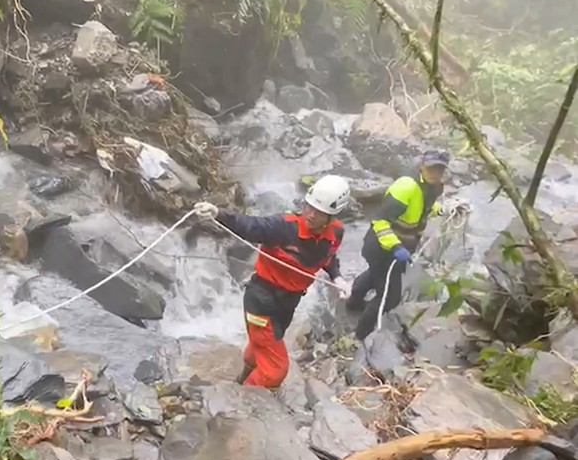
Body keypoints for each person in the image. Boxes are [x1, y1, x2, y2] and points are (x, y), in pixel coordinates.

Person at [193, 175, 352, 389]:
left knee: (260, 346)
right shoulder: (283, 227)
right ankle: (242, 398)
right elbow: (251, 225)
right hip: (261, 299)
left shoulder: (336, 233)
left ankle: (243, 377)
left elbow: (328, 257)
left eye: (319, 212)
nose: (311, 215)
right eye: (309, 207)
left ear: (332, 216)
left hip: (287, 304)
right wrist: (218, 214)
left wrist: (337, 277)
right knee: (276, 370)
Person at [347, 150, 450, 341]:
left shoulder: (433, 187)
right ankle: (360, 335)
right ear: (422, 165)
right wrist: (395, 247)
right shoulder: (405, 187)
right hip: (382, 246)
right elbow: (380, 221)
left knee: (375, 275)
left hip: (399, 249)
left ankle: (353, 304)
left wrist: (440, 210)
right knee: (389, 297)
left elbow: (421, 209)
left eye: (439, 168)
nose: (434, 172)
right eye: (431, 167)